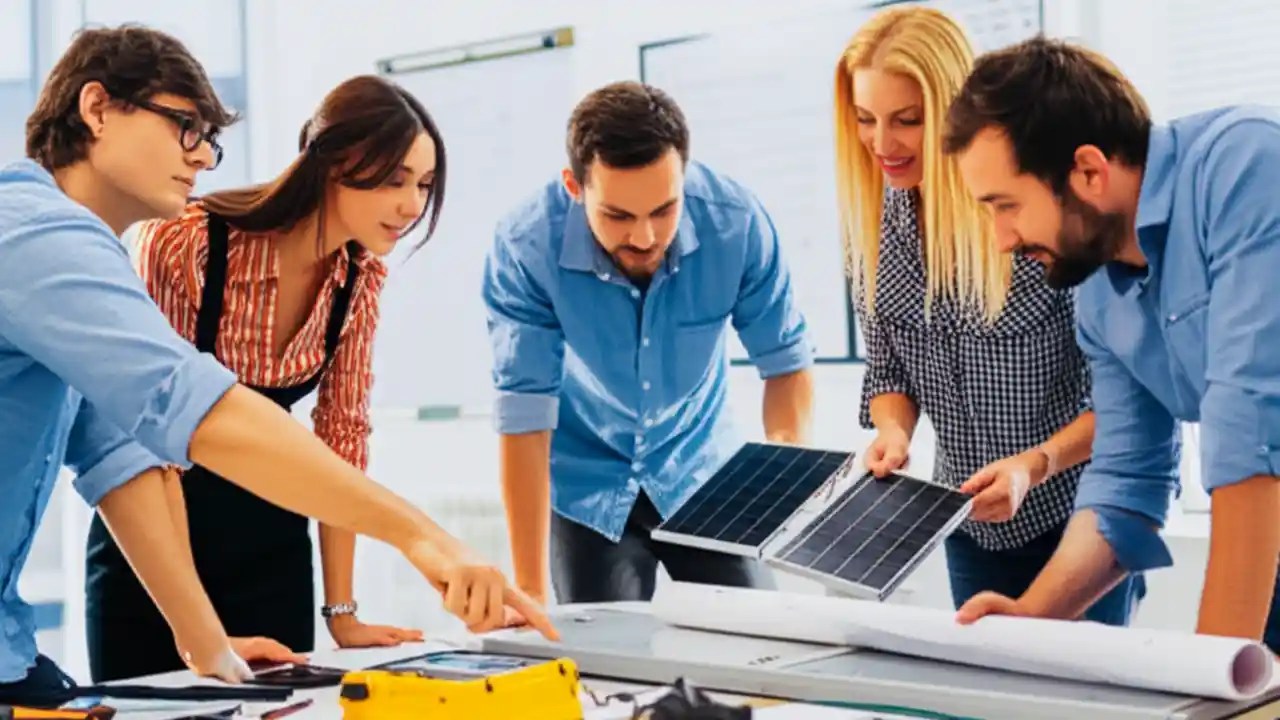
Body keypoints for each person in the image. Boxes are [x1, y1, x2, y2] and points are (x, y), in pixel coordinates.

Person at [0, 24, 553, 706]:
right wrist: (424, 539)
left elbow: (119, 459)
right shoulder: (29, 231)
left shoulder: (87, 256)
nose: (202, 156)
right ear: (96, 108)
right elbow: (189, 406)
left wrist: (208, 643)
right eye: (184, 127)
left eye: (210, 137)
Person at [84, 74, 444, 682]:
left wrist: (342, 613)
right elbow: (142, 437)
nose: (413, 206)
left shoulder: (358, 280)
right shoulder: (186, 245)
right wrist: (200, 629)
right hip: (156, 557)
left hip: (273, 551)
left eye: (425, 185)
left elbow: (342, 443)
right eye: (395, 180)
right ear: (334, 164)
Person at [942, 35, 1280, 650]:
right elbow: (1126, 478)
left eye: (1006, 205)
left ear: (1090, 171)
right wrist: (1032, 614)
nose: (1001, 239)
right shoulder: (1098, 291)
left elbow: (1250, 432)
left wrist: (1207, 680)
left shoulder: (1248, 167)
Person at [833, 8, 1143, 622]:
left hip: (1078, 515)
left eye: (907, 121)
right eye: (865, 120)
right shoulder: (876, 220)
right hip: (969, 519)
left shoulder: (1035, 219)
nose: (881, 144)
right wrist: (893, 432)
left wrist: (1036, 465)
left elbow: (1129, 398)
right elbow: (890, 366)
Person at [483, 80, 815, 610]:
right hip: (587, 488)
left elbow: (787, 362)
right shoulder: (526, 246)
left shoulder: (737, 223)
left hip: (707, 476)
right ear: (575, 185)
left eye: (664, 210)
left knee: (756, 647)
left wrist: (775, 482)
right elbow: (524, 415)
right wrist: (527, 590)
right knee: (604, 666)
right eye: (618, 216)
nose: (644, 237)